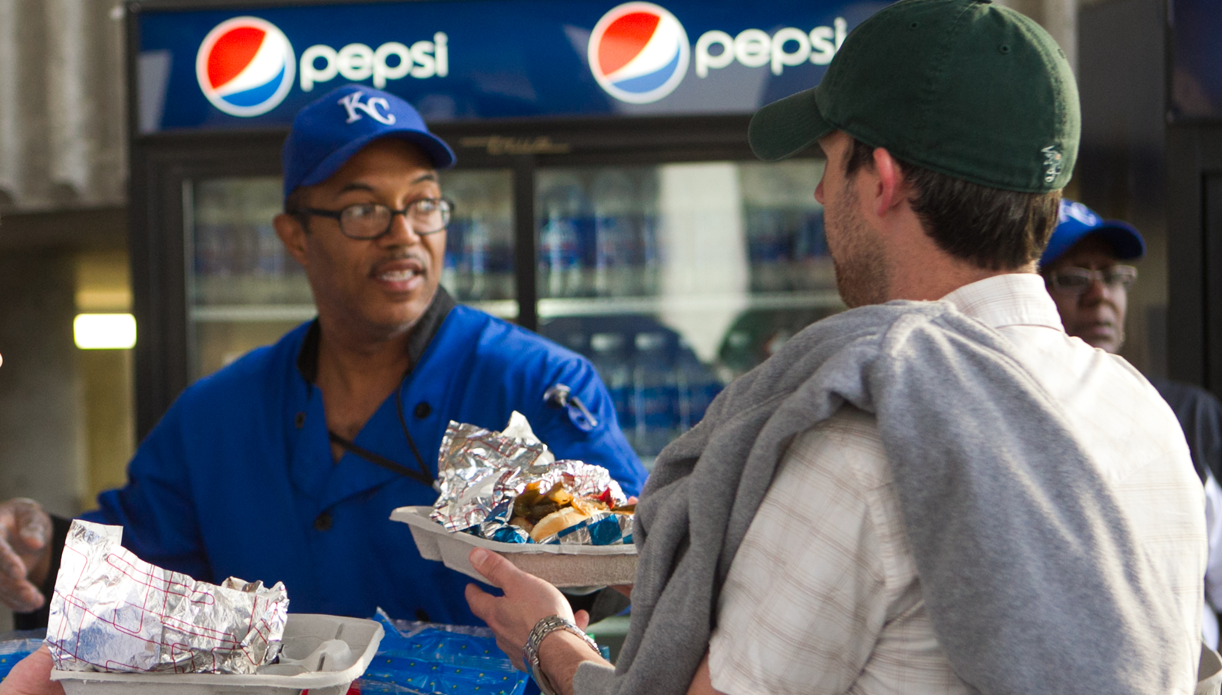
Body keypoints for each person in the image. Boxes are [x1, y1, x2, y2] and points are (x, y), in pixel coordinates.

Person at [464, 1, 1207, 694]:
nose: (820, 195)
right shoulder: (1143, 414)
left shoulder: (863, 446)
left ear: (880, 179)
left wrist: (550, 642)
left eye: (828, 161)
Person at [0, 84, 647, 629]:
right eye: (363, 209)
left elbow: (643, 555)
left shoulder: (538, 386)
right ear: (296, 237)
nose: (404, 234)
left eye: (423, 203)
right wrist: (33, 550)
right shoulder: (218, 415)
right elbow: (133, 562)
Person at [1040, 199, 1222, 647]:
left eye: (1113, 276)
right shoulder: (1014, 419)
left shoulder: (1185, 414)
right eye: (1074, 278)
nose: (1099, 294)